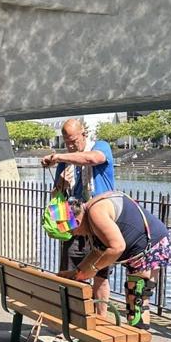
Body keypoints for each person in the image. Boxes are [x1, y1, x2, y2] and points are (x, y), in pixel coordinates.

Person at [45, 192, 171, 342]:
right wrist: (78, 272)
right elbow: (99, 250)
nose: (75, 235)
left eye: (72, 231)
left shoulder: (96, 213)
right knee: (132, 298)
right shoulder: (90, 217)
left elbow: (117, 247)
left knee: (137, 300)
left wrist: (93, 269)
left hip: (150, 247)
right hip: (140, 249)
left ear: (77, 220)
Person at [40, 119, 116, 320]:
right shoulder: (65, 162)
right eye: (66, 142)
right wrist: (60, 186)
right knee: (71, 273)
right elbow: (55, 199)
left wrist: (59, 156)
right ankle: (73, 318)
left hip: (99, 223)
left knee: (100, 274)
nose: (71, 145)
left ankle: (100, 319)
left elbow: (92, 159)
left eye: (73, 140)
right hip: (74, 224)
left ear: (84, 133)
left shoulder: (101, 146)